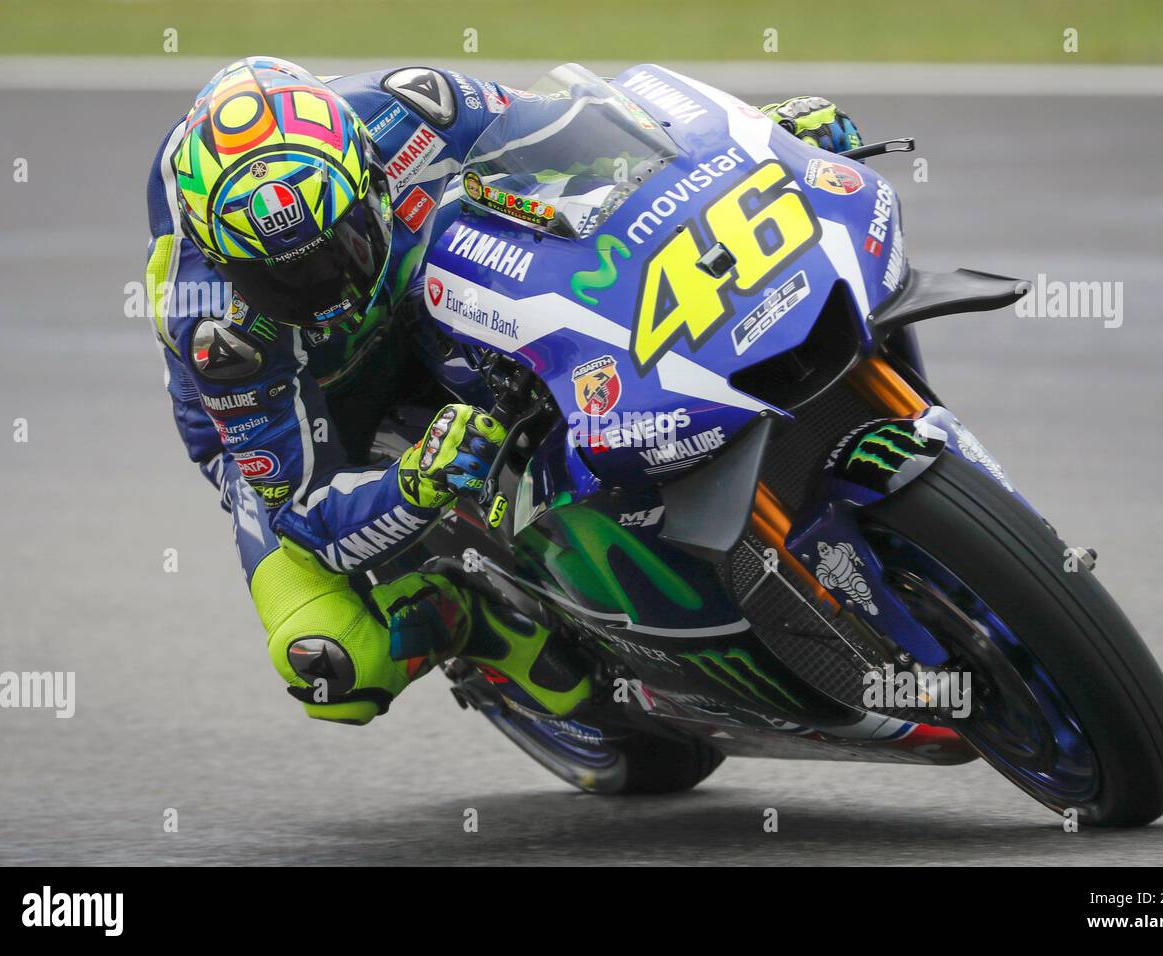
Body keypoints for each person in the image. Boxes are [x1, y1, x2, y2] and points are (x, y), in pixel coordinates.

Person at [145, 56, 862, 726]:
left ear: (368, 177)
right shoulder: (221, 335)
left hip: (420, 298)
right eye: (279, 278)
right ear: (222, 260)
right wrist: (413, 486)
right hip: (310, 400)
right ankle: (470, 620)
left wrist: (758, 141)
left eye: (339, 246)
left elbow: (597, 136)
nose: (322, 287)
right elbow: (305, 512)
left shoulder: (413, 110)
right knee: (332, 666)